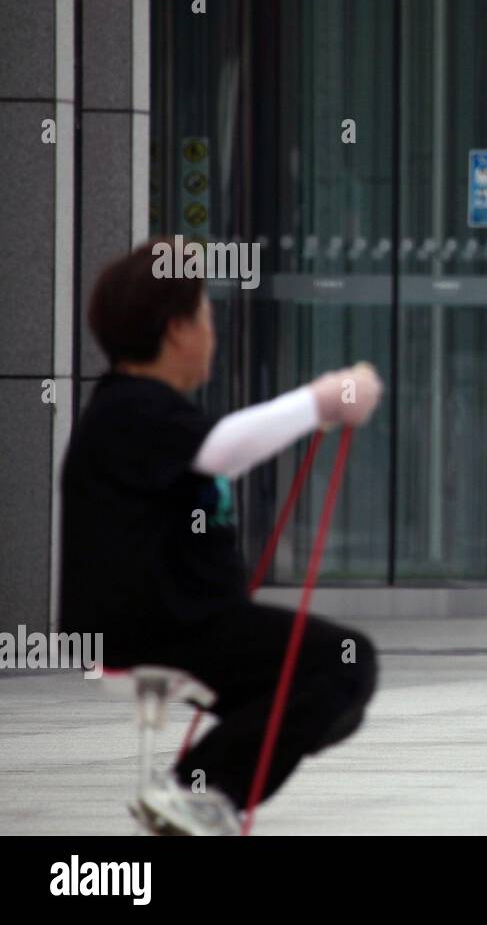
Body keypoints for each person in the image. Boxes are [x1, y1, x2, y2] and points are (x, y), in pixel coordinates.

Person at [60, 239, 384, 835]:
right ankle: (196, 793)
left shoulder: (139, 409)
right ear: (178, 329)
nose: (213, 330)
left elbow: (216, 453)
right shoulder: (132, 407)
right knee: (344, 664)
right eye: (206, 314)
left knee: (319, 696)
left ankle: (198, 795)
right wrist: (323, 399)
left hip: (182, 619)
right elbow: (225, 447)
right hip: (165, 622)